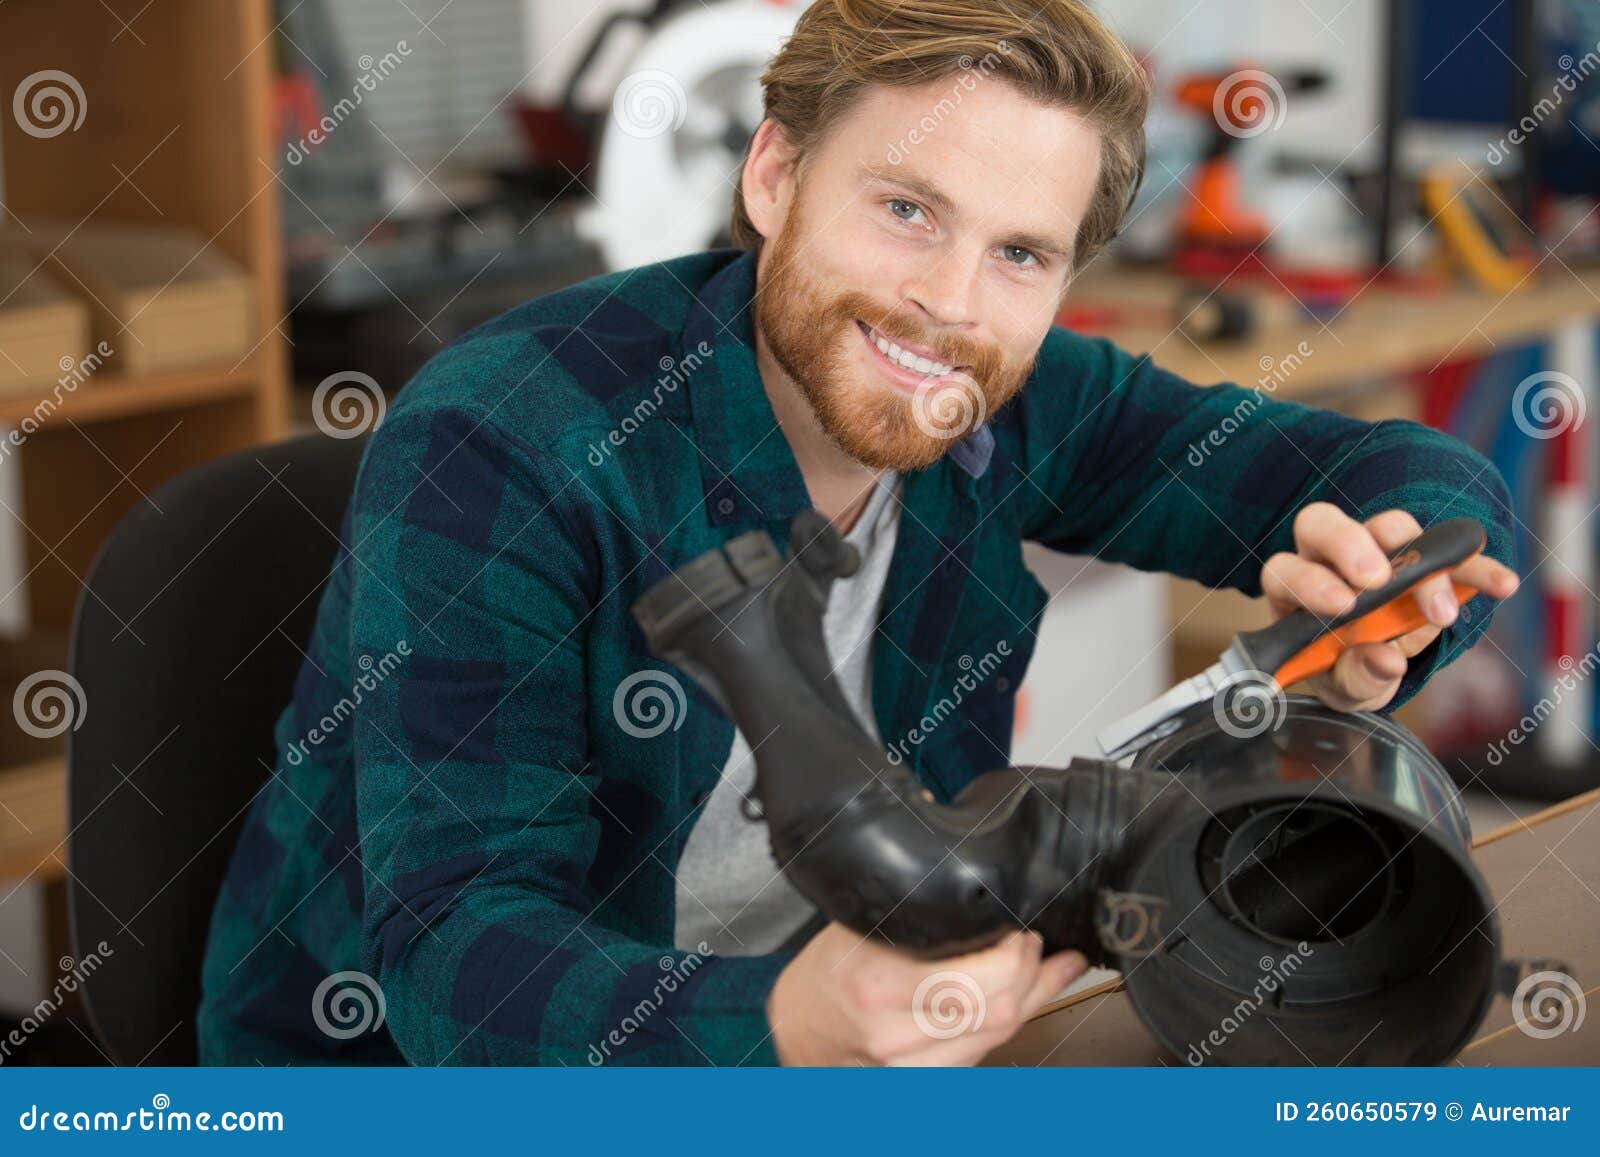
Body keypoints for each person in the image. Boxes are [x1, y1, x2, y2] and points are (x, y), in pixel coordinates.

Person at [199, 0, 1519, 1066]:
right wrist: (784, 1029)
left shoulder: (1020, 396)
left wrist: (1395, 580)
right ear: (775, 175)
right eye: (906, 209)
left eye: (1021, 253)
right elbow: (454, 961)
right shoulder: (500, 444)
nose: (950, 303)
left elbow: (1412, 477)